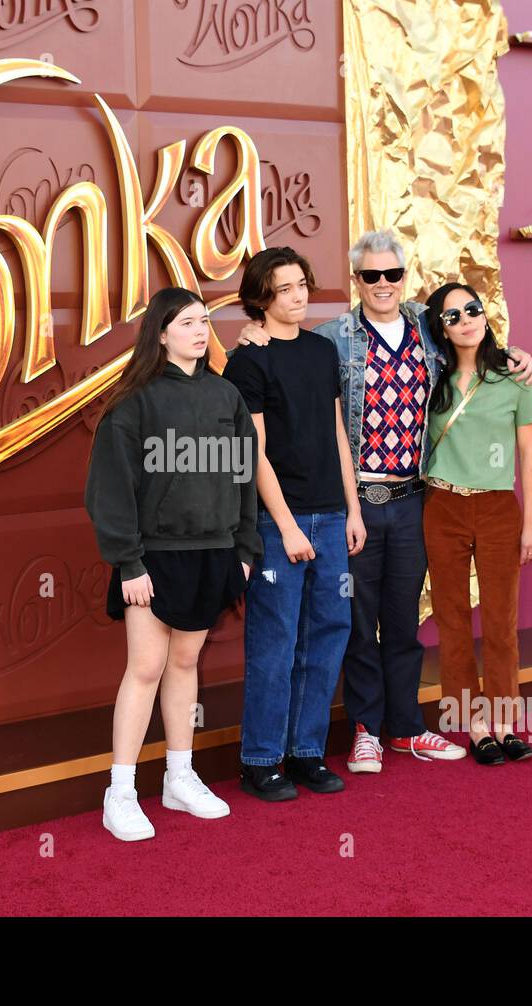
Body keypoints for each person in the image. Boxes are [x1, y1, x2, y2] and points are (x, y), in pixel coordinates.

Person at [237, 230, 532, 773]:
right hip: (355, 502)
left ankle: (406, 727)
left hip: (415, 501)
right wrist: (253, 330)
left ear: (405, 277)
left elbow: (476, 342)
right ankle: (365, 730)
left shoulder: (430, 326)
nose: (383, 284)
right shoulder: (332, 337)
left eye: (392, 274)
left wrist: (518, 355)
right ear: (357, 280)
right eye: (371, 275)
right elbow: (283, 348)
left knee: (403, 622)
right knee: (355, 621)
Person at [84, 287, 263, 840]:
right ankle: (120, 790)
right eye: (186, 322)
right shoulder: (133, 402)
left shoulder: (226, 396)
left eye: (204, 321)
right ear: (160, 333)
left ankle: (179, 777)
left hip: (214, 553)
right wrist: (129, 562)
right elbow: (109, 492)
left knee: (185, 665)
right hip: (154, 559)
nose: (199, 330)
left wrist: (245, 549)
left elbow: (243, 477)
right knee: (145, 668)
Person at [221, 246, 365, 801]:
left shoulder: (321, 349)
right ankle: (260, 760)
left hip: (331, 516)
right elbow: (253, 452)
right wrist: (285, 526)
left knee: (328, 636)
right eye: (284, 289)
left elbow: (336, 433)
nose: (299, 295)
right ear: (260, 298)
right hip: (279, 521)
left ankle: (306, 753)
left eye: (302, 283)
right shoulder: (247, 361)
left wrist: (351, 510)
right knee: (275, 642)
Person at [422, 281, 532, 765]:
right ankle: (473, 726)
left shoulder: (515, 379)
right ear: (442, 330)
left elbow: (529, 456)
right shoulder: (432, 381)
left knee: (500, 621)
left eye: (472, 309)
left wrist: (531, 521)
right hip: (443, 506)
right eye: (452, 316)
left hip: (497, 508)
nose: (467, 320)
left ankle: (505, 723)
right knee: (451, 621)